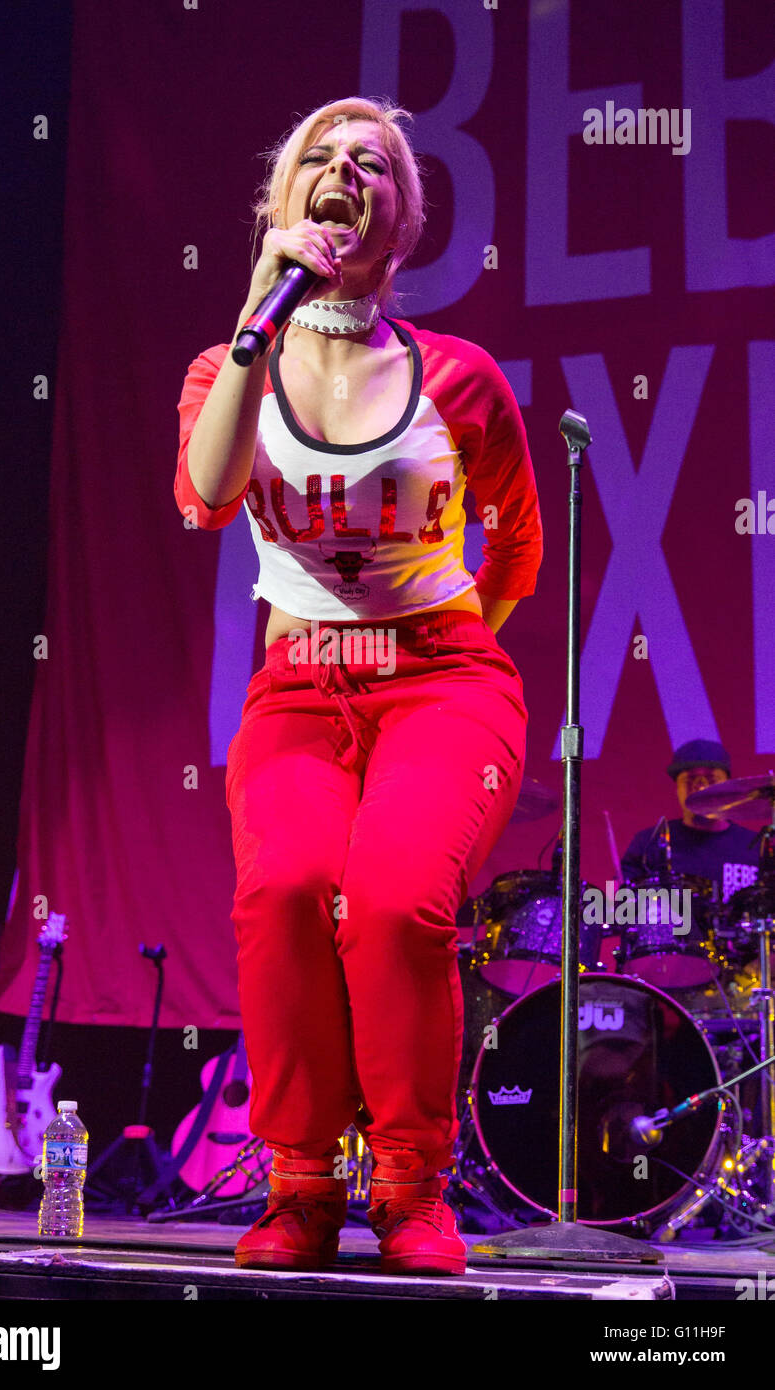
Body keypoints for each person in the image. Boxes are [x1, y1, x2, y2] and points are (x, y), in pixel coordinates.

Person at [174, 97, 543, 1276]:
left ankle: (409, 1187)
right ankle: (298, 1185)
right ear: (282, 205)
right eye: (318, 161)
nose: (343, 174)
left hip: (440, 682)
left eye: (371, 165)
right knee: (282, 890)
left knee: (393, 905)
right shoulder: (227, 364)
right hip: (295, 693)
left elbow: (518, 547)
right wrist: (250, 317)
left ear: (402, 218)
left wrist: (437, 650)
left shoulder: (460, 377)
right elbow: (207, 490)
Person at [621, 739, 761, 905]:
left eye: (712, 779)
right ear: (677, 789)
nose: (701, 788)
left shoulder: (756, 847)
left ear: (728, 785)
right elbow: (626, 907)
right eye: (690, 780)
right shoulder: (650, 843)